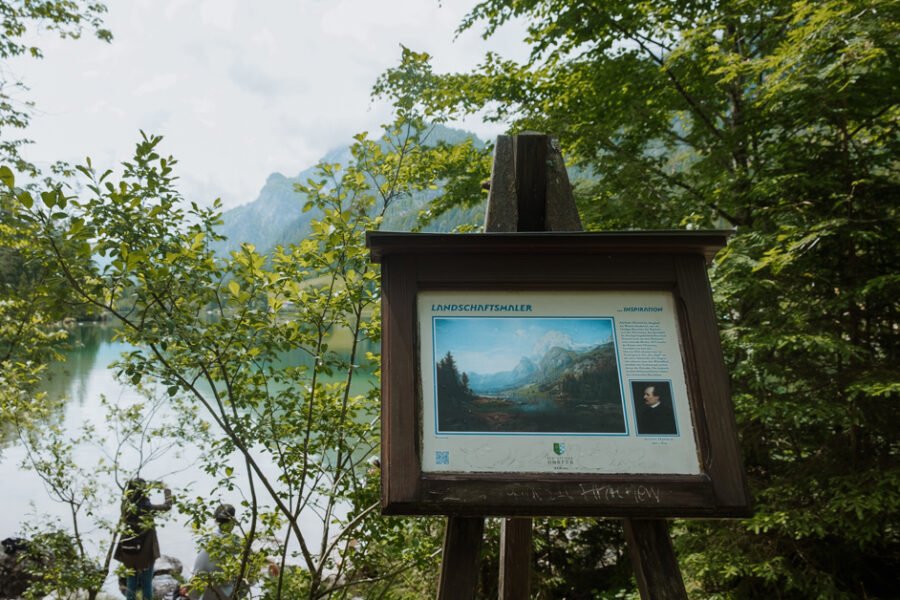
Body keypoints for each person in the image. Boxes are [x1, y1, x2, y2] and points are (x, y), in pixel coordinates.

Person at [114, 478, 174, 600]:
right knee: (147, 584)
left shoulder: (126, 506)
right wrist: (166, 489)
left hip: (129, 551)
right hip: (145, 553)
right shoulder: (146, 506)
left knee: (131, 583)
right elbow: (167, 506)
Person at [182, 504, 241, 600]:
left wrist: (189, 585)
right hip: (222, 591)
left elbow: (198, 568)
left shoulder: (207, 538)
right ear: (233, 522)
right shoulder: (235, 542)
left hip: (202, 588)